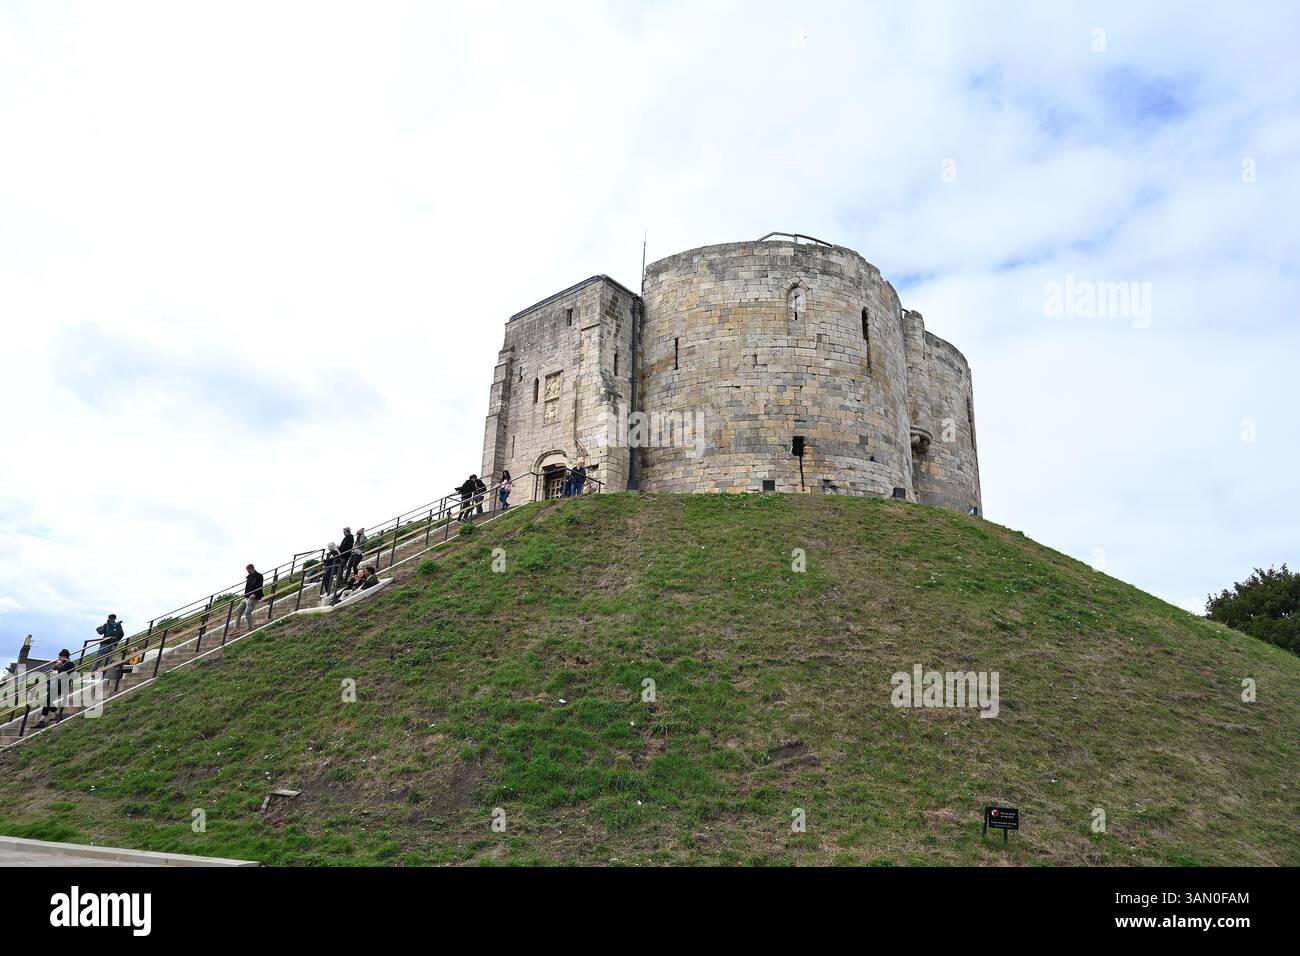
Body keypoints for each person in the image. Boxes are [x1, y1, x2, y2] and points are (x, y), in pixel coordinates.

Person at [33, 650, 76, 728]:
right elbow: (52, 674)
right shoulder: (59, 664)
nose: (58, 658)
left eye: (60, 656)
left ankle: (42, 721)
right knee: (47, 701)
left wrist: (55, 672)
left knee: (47, 701)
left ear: (64, 656)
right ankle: (57, 715)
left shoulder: (70, 664)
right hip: (54, 685)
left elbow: (62, 674)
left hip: (62, 685)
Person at [233, 564, 264, 634]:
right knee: (237, 611)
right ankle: (236, 629)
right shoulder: (249, 577)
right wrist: (245, 595)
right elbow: (248, 587)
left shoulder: (259, 576)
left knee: (247, 612)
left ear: (252, 569)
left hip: (254, 598)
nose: (248, 572)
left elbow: (260, 586)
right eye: (247, 571)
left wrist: (255, 594)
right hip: (246, 597)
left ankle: (251, 628)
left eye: (249, 570)